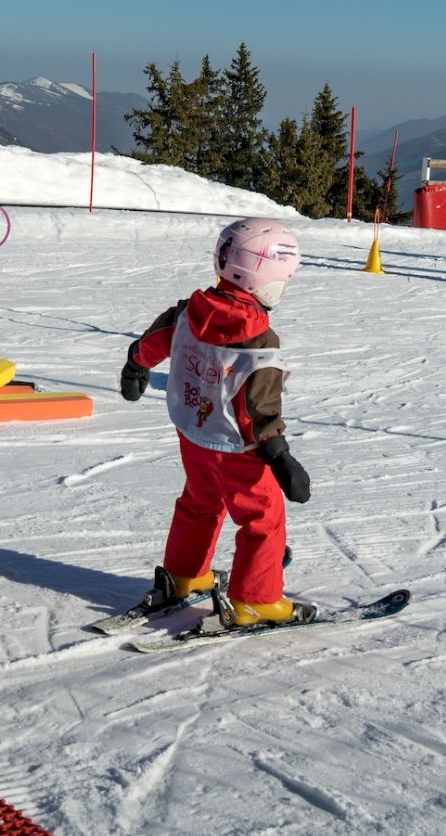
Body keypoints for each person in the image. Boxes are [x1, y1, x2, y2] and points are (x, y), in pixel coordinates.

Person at [119, 218, 307, 629]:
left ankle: (185, 576)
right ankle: (256, 599)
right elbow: (258, 405)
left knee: (201, 501)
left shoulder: (191, 311)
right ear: (267, 278)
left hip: (193, 433)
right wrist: (279, 454)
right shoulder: (258, 340)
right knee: (263, 518)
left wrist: (136, 363)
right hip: (238, 446)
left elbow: (159, 336)